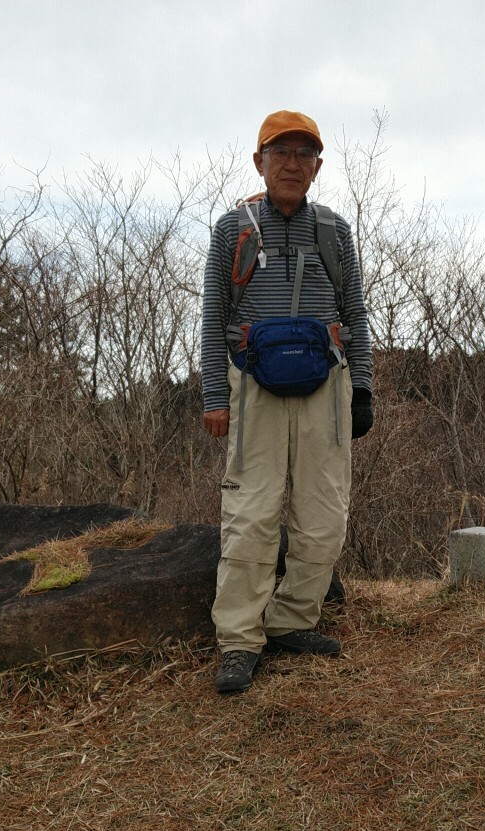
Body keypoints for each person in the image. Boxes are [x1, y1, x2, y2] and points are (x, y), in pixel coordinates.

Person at [200, 109, 374, 694]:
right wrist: (214, 395)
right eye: (281, 153)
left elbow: (355, 312)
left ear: (318, 167)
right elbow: (213, 318)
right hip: (254, 386)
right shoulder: (233, 229)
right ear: (259, 162)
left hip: (327, 385)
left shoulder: (334, 230)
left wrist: (365, 388)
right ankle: (239, 640)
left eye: (304, 155)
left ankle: (292, 622)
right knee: (250, 513)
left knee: (325, 515)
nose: (293, 164)